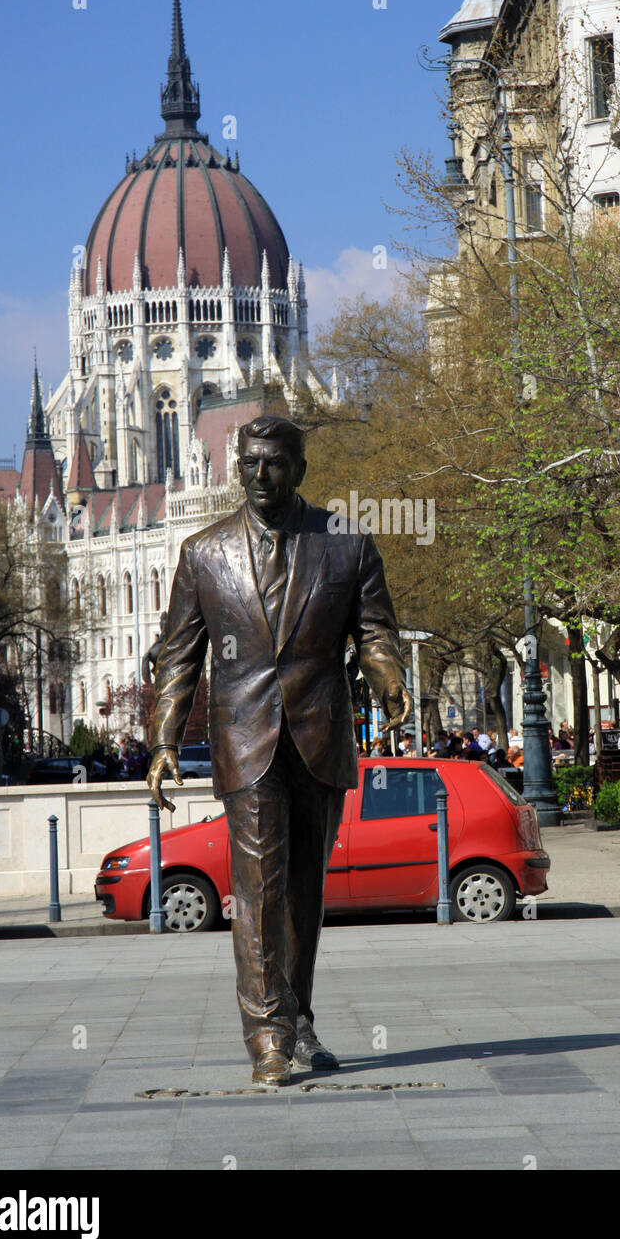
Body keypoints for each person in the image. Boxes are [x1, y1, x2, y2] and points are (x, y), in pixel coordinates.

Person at [146, 415, 410, 1087]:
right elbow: (178, 657)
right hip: (244, 740)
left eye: (274, 463)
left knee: (302, 893)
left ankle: (297, 1017)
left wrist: (389, 675)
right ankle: (267, 1034)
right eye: (250, 463)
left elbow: (375, 629)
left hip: (320, 736)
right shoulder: (204, 554)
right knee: (258, 888)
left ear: (298, 468)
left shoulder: (345, 546)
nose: (260, 475)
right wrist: (164, 741)